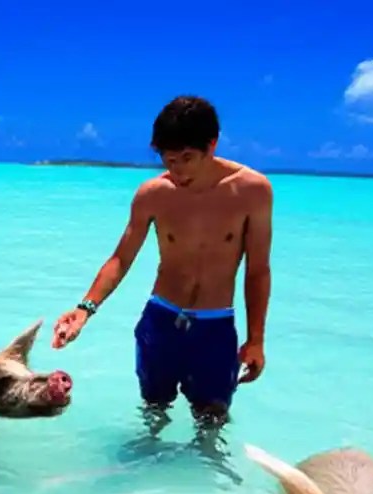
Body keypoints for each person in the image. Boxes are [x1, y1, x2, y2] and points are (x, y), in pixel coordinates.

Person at [51, 95, 273, 437]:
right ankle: (147, 475)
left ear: (211, 145)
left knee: (212, 420)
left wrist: (256, 339)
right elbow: (121, 258)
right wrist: (84, 310)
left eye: (187, 158)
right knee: (153, 411)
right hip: (161, 321)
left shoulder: (253, 191)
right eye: (170, 160)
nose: (179, 170)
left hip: (215, 327)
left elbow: (257, 270)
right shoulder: (152, 194)